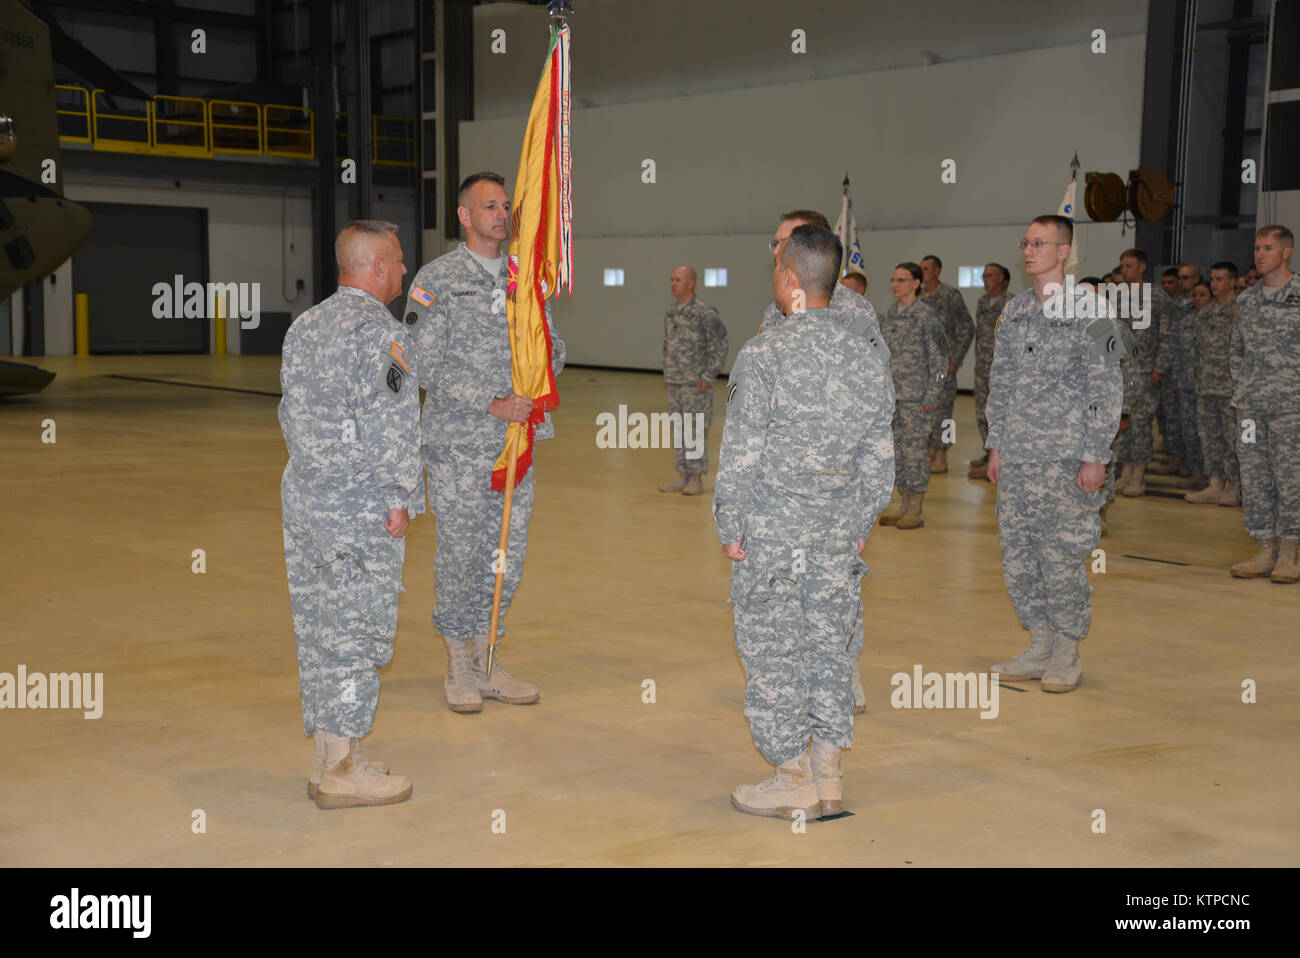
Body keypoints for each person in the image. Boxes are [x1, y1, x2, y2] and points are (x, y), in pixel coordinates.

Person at [714, 225, 895, 819]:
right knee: (829, 645)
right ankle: (829, 772)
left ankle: (791, 773)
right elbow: (879, 456)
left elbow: (739, 452)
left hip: (773, 532)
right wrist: (862, 517)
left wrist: (730, 526)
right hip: (838, 534)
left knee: (774, 648)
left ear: (789, 278)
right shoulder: (865, 355)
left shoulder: (764, 353)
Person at [405, 171, 567, 712]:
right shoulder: (439, 278)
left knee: (506, 556)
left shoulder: (527, 279)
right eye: (489, 206)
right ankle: (457, 659)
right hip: (459, 443)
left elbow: (555, 348)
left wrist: (536, 375)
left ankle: (487, 657)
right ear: (465, 216)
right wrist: (490, 399)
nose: (502, 214)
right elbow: (420, 360)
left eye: (505, 206)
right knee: (461, 552)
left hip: (516, 445)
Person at [280, 219, 421, 809]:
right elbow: (390, 426)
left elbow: (289, 413)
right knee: (355, 632)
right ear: (379, 267)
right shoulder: (380, 334)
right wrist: (399, 498)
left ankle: (328, 758)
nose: (405, 271)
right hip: (359, 507)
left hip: (306, 500)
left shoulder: (304, 326)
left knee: (319, 628)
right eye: (398, 260)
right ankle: (341, 771)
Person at [761, 209, 891, 714]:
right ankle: (797, 679)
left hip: (839, 478)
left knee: (837, 585)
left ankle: (845, 670)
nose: (774, 251)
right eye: (773, 243)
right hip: (788, 480)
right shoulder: (775, 312)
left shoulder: (852, 312)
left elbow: (881, 398)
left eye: (781, 242)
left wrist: (866, 489)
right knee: (787, 585)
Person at [985, 215, 1123, 693]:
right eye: (1026, 242)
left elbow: (1105, 388)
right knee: (1019, 557)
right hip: (1019, 458)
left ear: (1064, 252)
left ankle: (1067, 652)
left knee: (1062, 557)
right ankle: (1039, 644)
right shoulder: (1016, 311)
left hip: (1066, 461)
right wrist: (996, 445)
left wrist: (1096, 455)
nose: (1029, 251)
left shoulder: (1092, 311)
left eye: (1040, 243)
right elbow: (999, 382)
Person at [1228, 225, 1300, 582]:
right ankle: (1265, 550)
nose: (1259, 255)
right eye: (1257, 248)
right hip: (1251, 408)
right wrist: (1240, 396)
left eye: (1268, 248)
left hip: (1291, 407)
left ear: (1286, 253)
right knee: (1255, 477)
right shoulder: (1246, 300)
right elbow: (1236, 353)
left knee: (1290, 477)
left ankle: (1290, 552)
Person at [877, 262, 947, 529]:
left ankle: (915, 508)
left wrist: (930, 398)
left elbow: (941, 361)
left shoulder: (927, 316)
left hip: (917, 400)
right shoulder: (890, 315)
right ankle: (903, 504)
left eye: (902, 280)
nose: (895, 285)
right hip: (892, 400)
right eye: (893, 280)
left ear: (916, 284)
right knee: (897, 454)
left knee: (915, 453)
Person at [658, 266, 728, 495]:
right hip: (676, 382)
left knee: (695, 430)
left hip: (696, 384)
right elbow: (668, 346)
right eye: (671, 279)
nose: (673, 284)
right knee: (678, 430)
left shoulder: (704, 312)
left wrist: (709, 375)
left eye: (678, 280)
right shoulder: (671, 313)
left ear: (691, 283)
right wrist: (667, 373)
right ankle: (683, 476)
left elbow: (720, 344)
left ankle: (696, 479)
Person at [1115, 247, 1173, 497]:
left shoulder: (1157, 297)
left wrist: (1160, 367)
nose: (1124, 270)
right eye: (1122, 265)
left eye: (1129, 265)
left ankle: (1138, 476)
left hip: (1146, 370)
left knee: (1140, 424)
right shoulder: (1116, 297)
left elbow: (1168, 335)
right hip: (1121, 371)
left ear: (1142, 267)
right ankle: (1125, 472)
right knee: (1123, 424)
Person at [1186, 263, 1241, 506]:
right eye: (1212, 279)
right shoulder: (1205, 313)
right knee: (1209, 438)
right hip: (1207, 387)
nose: (1214, 283)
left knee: (1233, 439)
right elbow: (1198, 353)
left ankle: (1234, 486)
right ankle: (1215, 484)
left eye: (1220, 279)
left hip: (1231, 390)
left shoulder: (1241, 311)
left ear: (1232, 282)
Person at [918, 254, 974, 473]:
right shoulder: (919, 297)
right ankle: (930, 452)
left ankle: (942, 456)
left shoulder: (950, 295)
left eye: (926, 269)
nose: (922, 273)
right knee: (925, 411)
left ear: (937, 271)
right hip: (921, 369)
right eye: (921, 269)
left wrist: (956, 360)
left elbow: (967, 327)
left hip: (943, 367)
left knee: (945, 415)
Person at [969, 262, 1013, 479]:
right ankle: (989, 455)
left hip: (1003, 370)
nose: (985, 280)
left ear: (1004, 280)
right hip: (982, 366)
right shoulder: (983, 302)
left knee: (1000, 415)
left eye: (990, 276)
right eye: (983, 276)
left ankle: (1002, 460)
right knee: (981, 414)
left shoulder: (1012, 303)